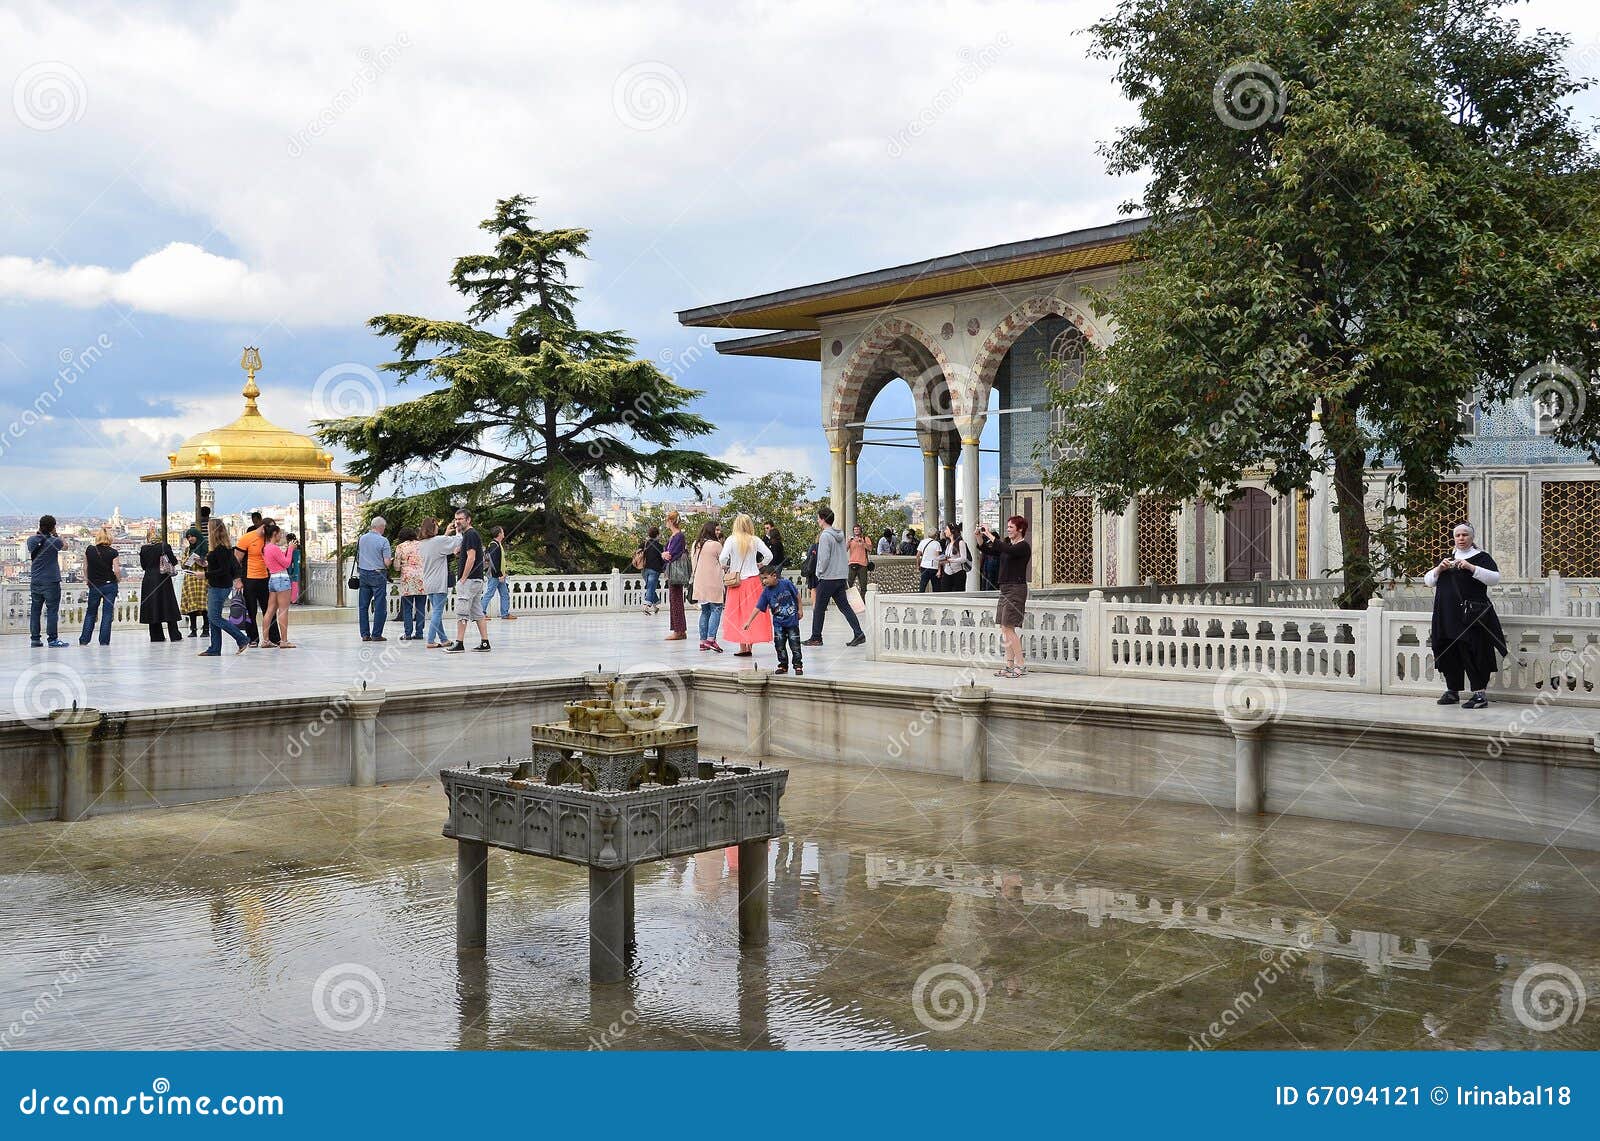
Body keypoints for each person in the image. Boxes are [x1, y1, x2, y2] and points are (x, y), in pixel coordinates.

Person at [1426, 522, 1506, 709]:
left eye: (1465, 535)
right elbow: (1429, 581)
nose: (1461, 538)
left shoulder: (1482, 557)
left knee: (1474, 651)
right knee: (1447, 650)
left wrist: (1471, 567)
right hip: (1446, 615)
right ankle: (1452, 690)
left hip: (1471, 617)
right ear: (1454, 538)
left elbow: (1494, 578)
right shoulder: (1446, 558)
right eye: (1458, 535)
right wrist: (1439, 569)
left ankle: (1479, 694)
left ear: (1472, 538)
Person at [804, 506, 866, 648]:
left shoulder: (825, 536)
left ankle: (816, 637)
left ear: (823, 519)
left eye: (818, 518)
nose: (817, 520)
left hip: (828, 577)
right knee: (845, 607)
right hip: (840, 577)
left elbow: (824, 558)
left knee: (819, 608)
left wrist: (819, 573)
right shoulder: (840, 534)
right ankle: (859, 633)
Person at [978, 516, 1031, 678]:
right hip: (1005, 588)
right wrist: (979, 536)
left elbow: (1005, 549)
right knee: (1004, 627)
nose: (1008, 529)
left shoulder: (1023, 547)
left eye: (1011, 527)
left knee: (1009, 627)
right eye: (1007, 526)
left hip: (1016, 589)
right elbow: (988, 550)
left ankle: (1020, 665)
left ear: (1020, 529)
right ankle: (1009, 665)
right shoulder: (1008, 544)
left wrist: (989, 534)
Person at [718, 513, 773, 657]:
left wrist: (728, 566)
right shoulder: (754, 540)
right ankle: (750, 644)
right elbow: (769, 555)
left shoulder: (731, 540)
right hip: (754, 581)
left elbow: (722, 558)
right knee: (753, 613)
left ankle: (743, 646)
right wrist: (760, 564)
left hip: (737, 582)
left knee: (738, 614)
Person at [199, 518, 249, 656]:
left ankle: (242, 639)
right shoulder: (224, 549)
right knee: (213, 617)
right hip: (220, 586)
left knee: (214, 617)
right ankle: (215, 648)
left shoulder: (220, 549)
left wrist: (205, 574)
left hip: (218, 587)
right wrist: (207, 565)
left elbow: (223, 570)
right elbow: (222, 567)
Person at [744, 564, 805, 675]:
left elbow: (797, 595)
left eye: (766, 578)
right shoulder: (766, 592)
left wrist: (800, 609)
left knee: (795, 644)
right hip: (778, 624)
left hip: (792, 622)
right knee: (779, 645)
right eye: (762, 579)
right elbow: (758, 607)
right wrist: (749, 621)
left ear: (774, 576)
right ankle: (783, 665)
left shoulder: (786, 584)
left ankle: (798, 665)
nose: (764, 581)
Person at [445, 507, 491, 652]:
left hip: (470, 579)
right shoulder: (469, 535)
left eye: (460, 519)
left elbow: (471, 558)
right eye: (456, 519)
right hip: (476, 579)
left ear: (468, 520)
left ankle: (459, 643)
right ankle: (485, 643)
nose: (457, 522)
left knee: (462, 612)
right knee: (477, 612)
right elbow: (472, 555)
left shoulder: (470, 534)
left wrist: (463, 578)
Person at [234, 514, 279, 647]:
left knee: (270, 609)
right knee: (250, 610)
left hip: (266, 578)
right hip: (249, 579)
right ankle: (253, 638)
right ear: (264, 528)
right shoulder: (247, 538)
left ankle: (274, 637)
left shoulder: (268, 540)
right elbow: (236, 559)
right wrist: (238, 579)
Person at [26, 514, 69, 648]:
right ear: (53, 527)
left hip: (36, 580)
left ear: (40, 525)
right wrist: (56, 534)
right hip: (51, 581)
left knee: (35, 610)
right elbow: (65, 546)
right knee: (51, 611)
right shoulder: (54, 541)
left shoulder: (30, 540)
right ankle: (52, 639)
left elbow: (36, 541)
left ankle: (35, 639)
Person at [417, 517, 460, 648]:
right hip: (439, 582)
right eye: (436, 525)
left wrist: (447, 532)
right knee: (437, 612)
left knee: (436, 611)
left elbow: (440, 544)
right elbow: (457, 541)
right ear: (432, 527)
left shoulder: (423, 543)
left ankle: (444, 639)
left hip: (428, 582)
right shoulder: (438, 541)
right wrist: (458, 531)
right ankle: (430, 640)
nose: (438, 527)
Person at [137, 526, 183, 642]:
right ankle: (174, 634)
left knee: (152, 607)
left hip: (148, 580)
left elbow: (143, 566)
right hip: (163, 579)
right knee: (168, 606)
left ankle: (156, 636)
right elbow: (174, 561)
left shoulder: (144, 549)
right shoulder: (164, 546)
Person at [78, 527, 121, 646]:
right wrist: (118, 580)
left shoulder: (90, 550)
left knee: (91, 612)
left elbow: (85, 567)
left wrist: (87, 579)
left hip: (94, 585)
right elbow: (116, 570)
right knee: (107, 614)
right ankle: (104, 641)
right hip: (110, 585)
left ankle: (84, 639)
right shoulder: (113, 552)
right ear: (109, 538)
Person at [261, 524, 298, 649]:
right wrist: (291, 549)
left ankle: (265, 640)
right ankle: (284, 640)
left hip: (273, 578)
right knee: (283, 610)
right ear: (274, 534)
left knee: (270, 610)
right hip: (282, 578)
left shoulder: (266, 548)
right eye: (279, 533)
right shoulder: (274, 548)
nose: (281, 535)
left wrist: (288, 550)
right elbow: (287, 563)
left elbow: (280, 561)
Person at [355, 516, 393, 642]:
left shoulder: (362, 538)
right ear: (380, 527)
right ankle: (376, 634)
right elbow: (387, 563)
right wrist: (391, 561)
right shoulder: (384, 541)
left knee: (363, 606)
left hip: (363, 574)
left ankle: (365, 634)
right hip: (378, 574)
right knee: (380, 605)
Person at [691, 521, 725, 652]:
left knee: (705, 611)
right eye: (716, 530)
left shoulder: (695, 544)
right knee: (716, 609)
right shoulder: (716, 545)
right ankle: (711, 640)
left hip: (700, 582)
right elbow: (723, 561)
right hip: (714, 581)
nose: (718, 532)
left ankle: (702, 642)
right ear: (711, 530)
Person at [662, 510, 689, 641]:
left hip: (675, 571)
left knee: (676, 600)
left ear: (671, 521)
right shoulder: (674, 536)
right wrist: (664, 554)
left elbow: (671, 553)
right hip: (672, 570)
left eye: (667, 520)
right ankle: (679, 629)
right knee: (675, 600)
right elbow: (666, 551)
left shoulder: (678, 536)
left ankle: (678, 630)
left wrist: (665, 555)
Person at [394, 525, 425, 641]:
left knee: (407, 607)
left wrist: (402, 565)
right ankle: (419, 633)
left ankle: (407, 633)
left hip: (407, 579)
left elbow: (397, 567)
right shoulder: (422, 545)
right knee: (420, 607)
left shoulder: (400, 547)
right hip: (422, 578)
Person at [179, 529, 209, 637]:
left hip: (202, 580)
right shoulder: (187, 550)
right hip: (190, 580)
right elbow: (183, 564)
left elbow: (209, 564)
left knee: (204, 605)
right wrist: (190, 559)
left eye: (192, 536)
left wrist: (202, 562)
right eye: (188, 537)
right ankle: (193, 629)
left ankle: (206, 628)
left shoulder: (206, 549)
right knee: (191, 605)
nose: (190, 539)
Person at [484, 525, 517, 620]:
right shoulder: (494, 545)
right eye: (502, 532)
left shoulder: (497, 544)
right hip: (496, 575)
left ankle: (505, 614)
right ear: (499, 534)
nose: (504, 533)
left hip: (500, 575)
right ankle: (481, 613)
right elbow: (494, 562)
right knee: (489, 594)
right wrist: (499, 575)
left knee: (504, 594)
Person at [638, 526, 664, 616]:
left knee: (650, 587)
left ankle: (655, 606)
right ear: (657, 535)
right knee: (651, 587)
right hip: (655, 570)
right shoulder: (659, 546)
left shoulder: (644, 544)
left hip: (644, 569)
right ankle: (646, 606)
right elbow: (663, 560)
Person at [939, 522, 971, 592]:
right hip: (947, 572)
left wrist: (951, 560)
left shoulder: (960, 543)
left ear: (952, 531)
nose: (945, 531)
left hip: (958, 573)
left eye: (946, 529)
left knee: (958, 593)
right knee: (945, 593)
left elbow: (963, 558)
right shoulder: (948, 544)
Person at [846, 523, 871, 595]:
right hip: (852, 563)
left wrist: (862, 543)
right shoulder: (851, 539)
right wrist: (848, 541)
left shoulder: (865, 539)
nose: (856, 531)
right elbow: (845, 549)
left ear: (860, 530)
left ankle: (863, 601)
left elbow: (870, 548)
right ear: (853, 531)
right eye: (855, 530)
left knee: (863, 585)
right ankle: (847, 601)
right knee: (849, 584)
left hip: (862, 564)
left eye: (858, 529)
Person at [916, 527, 943, 592]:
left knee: (922, 586)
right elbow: (938, 558)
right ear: (936, 535)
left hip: (924, 567)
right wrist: (939, 570)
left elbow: (918, 555)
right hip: (934, 568)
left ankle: (920, 599)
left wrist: (918, 566)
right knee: (936, 587)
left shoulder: (922, 542)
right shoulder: (937, 543)